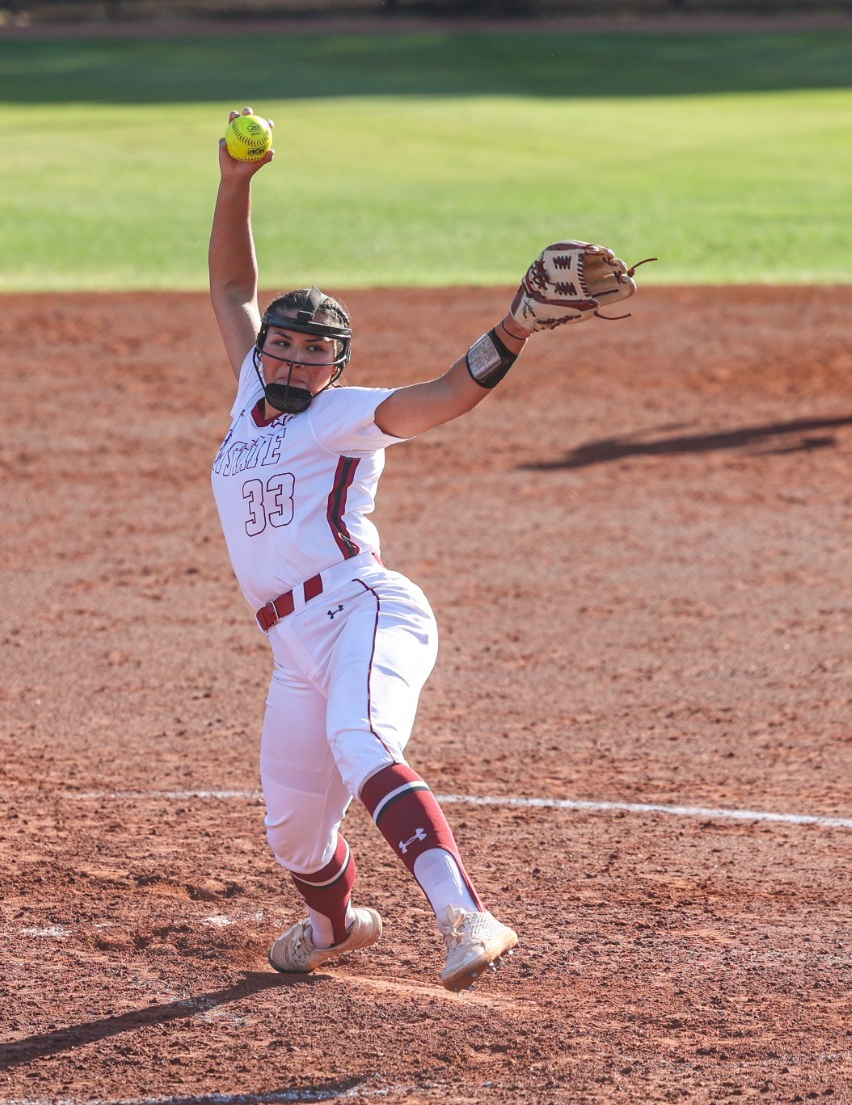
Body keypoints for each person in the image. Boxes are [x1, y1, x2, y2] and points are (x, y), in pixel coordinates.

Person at [205, 108, 637, 991]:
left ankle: (464, 914)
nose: (289, 363)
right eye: (280, 347)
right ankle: (333, 928)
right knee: (292, 834)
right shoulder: (252, 392)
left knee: (362, 741)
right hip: (292, 648)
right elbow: (230, 290)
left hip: (361, 608)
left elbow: (443, 396)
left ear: (335, 366)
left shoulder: (343, 415)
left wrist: (513, 329)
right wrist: (235, 183)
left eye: (310, 355)